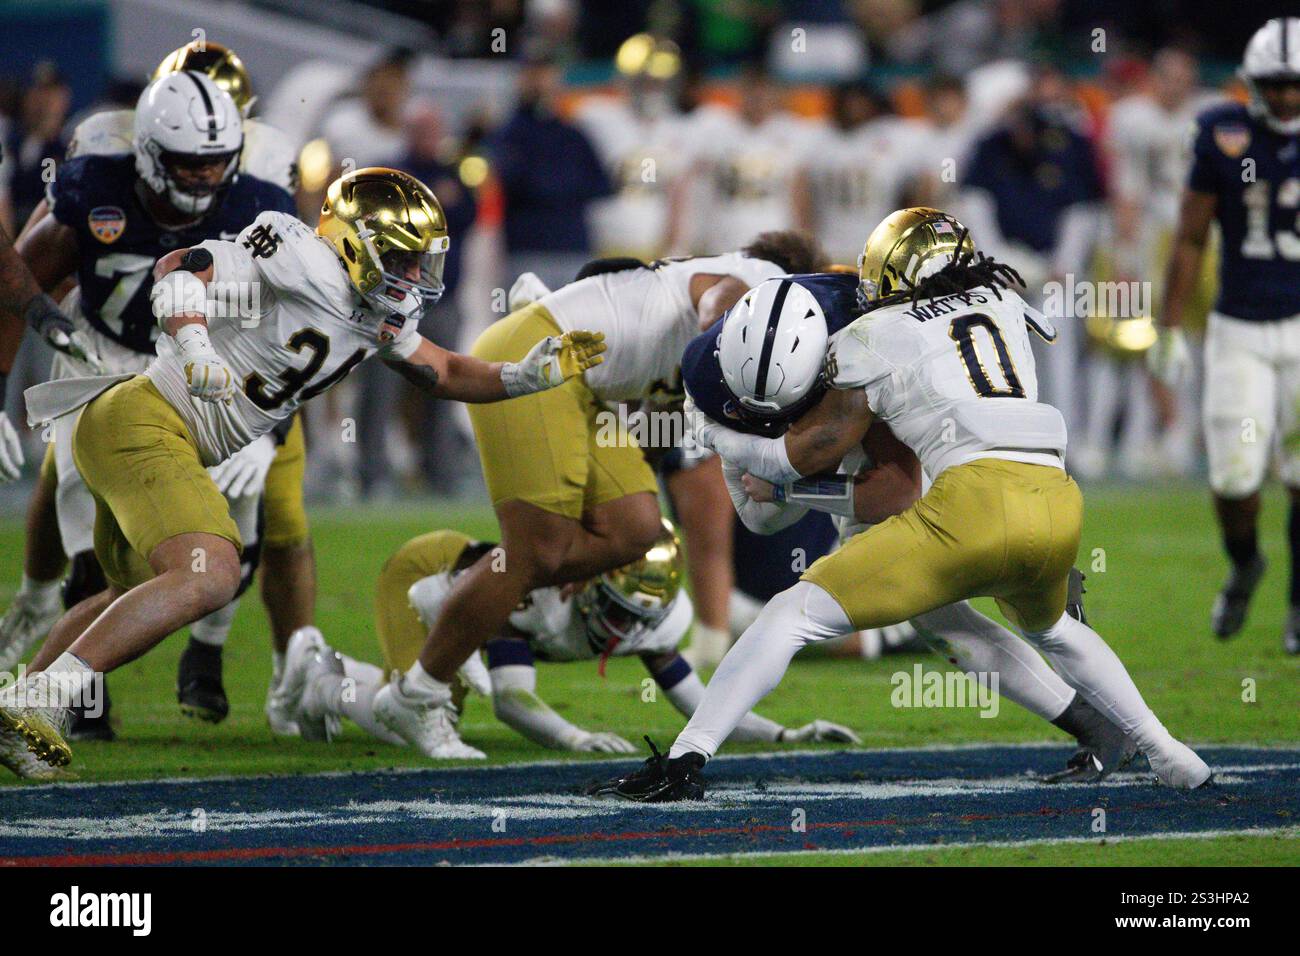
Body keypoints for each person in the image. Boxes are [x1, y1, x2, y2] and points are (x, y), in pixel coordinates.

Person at [0, 166, 605, 777]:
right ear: (354, 243)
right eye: (402, 257)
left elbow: (444, 372)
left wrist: (523, 377)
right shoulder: (300, 257)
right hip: (145, 421)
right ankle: (44, 699)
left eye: (423, 261)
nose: (416, 275)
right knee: (210, 572)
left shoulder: (378, 314)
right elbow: (181, 267)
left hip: (156, 437)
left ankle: (16, 711)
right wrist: (195, 347)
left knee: (130, 593)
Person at [591, 207, 1211, 801]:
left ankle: (684, 760)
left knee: (790, 615)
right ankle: (1166, 751)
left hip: (969, 506)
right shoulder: (1002, 297)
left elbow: (798, 459)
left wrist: (721, 438)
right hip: (1057, 498)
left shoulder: (877, 332)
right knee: (1046, 629)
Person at [368, 231, 823, 759]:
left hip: (583, 385)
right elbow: (717, 315)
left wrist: (592, 546)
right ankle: (418, 687)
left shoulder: (732, 295)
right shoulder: (762, 283)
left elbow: (655, 436)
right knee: (538, 549)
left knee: (634, 528)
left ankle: (470, 588)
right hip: (536, 356)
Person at [0, 44, 315, 739]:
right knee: (94, 530)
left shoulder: (260, 205)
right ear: (145, 154)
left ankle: (190, 662)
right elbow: (19, 280)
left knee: (222, 538)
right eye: (187, 162)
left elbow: (300, 332)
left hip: (208, 370)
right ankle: (75, 699)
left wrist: (272, 432)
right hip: (101, 357)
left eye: (216, 161)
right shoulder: (94, 187)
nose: (205, 176)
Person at [276, 522, 857, 757]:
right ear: (589, 582)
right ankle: (325, 685)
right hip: (424, 579)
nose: (623, 627)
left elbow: (700, 702)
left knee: (436, 697)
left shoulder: (650, 621)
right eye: (614, 608)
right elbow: (509, 698)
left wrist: (784, 732)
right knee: (428, 711)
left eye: (636, 615)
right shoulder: (542, 596)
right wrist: (575, 737)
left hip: (458, 588)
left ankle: (323, 665)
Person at [1148, 19, 1300, 655]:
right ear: (1252, 82)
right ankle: (1245, 562)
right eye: (1275, 85)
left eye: (1296, 84)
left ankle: (1298, 605)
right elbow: (1190, 235)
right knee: (1235, 478)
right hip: (1237, 326)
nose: (1288, 97)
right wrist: (1169, 325)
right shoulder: (1222, 131)